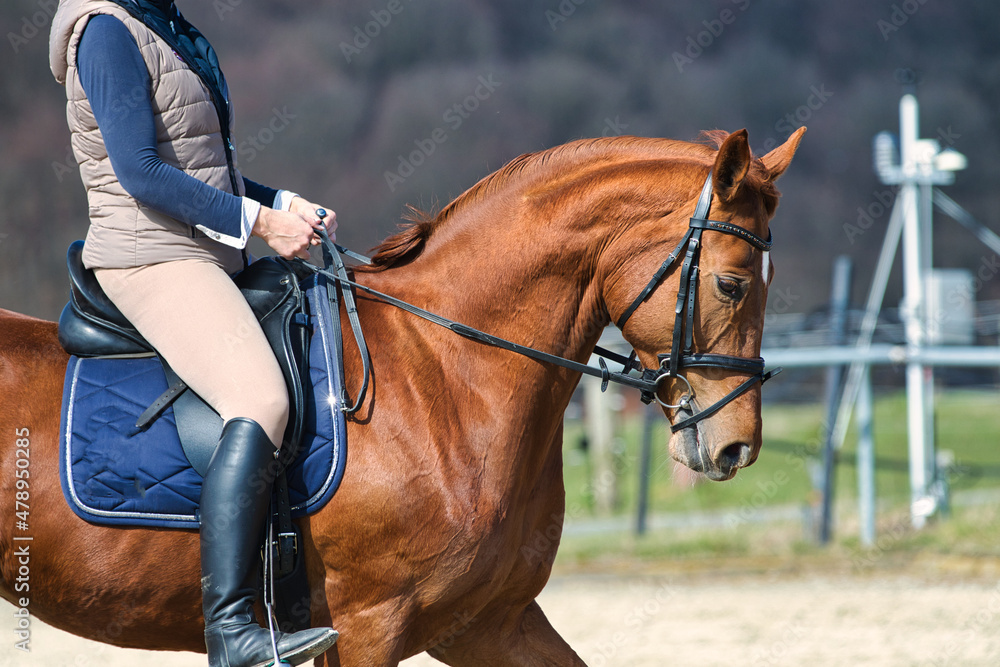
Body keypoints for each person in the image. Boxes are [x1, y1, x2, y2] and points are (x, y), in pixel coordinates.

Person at [49, 1, 340, 665]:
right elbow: (142, 173)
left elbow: (199, 165)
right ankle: (231, 630)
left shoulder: (163, 23)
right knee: (260, 398)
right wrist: (262, 225)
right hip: (150, 255)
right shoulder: (106, 32)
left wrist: (280, 202)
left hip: (207, 250)